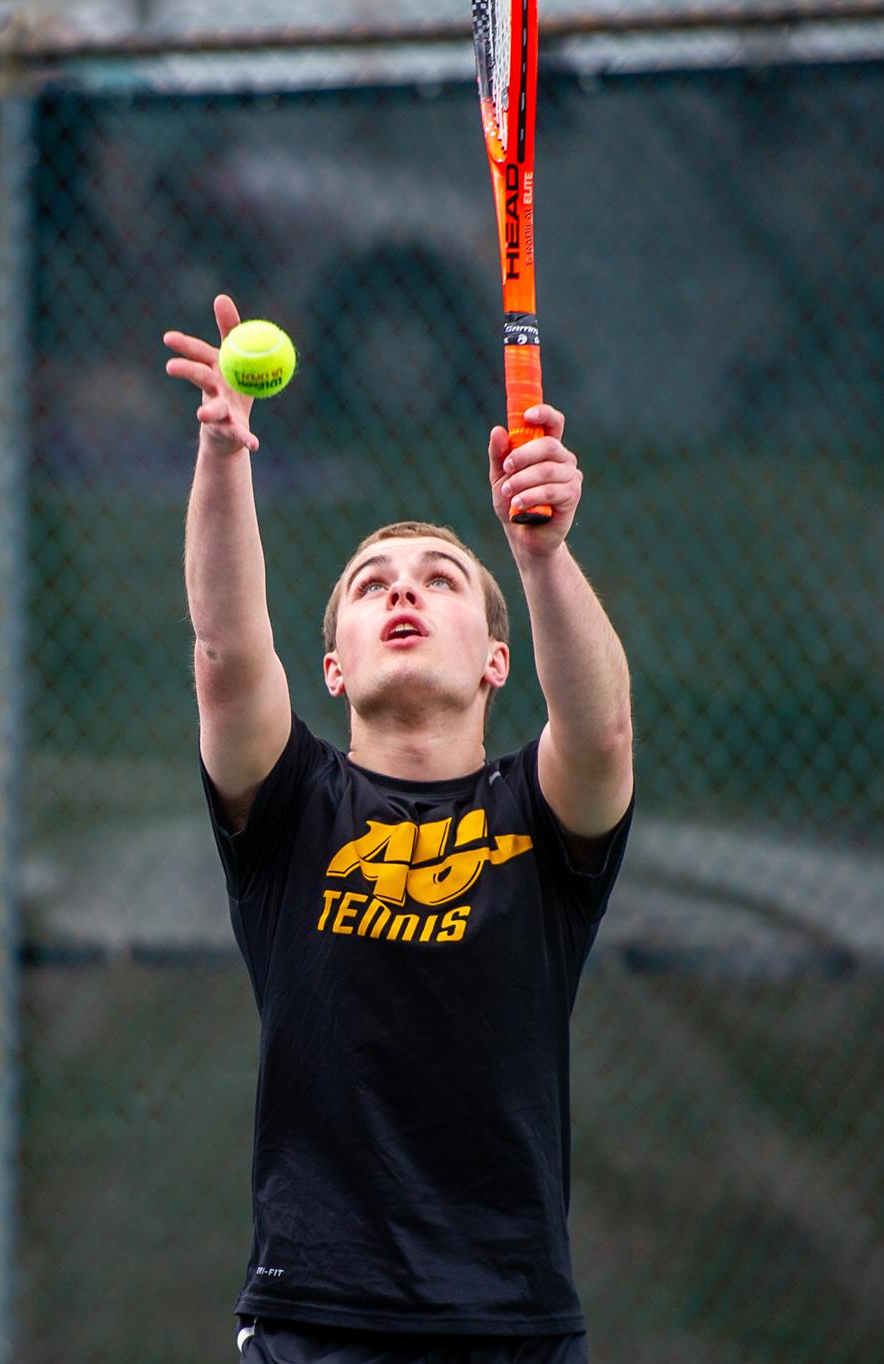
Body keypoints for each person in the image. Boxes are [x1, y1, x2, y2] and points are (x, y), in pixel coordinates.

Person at [165, 294, 635, 1364]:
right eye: (370, 586)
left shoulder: (538, 813)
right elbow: (227, 653)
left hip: (508, 1320)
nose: (401, 593)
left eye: (436, 580)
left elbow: (600, 729)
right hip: (315, 1318)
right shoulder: (290, 814)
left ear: (493, 660)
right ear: (333, 665)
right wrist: (226, 457)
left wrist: (540, 555)